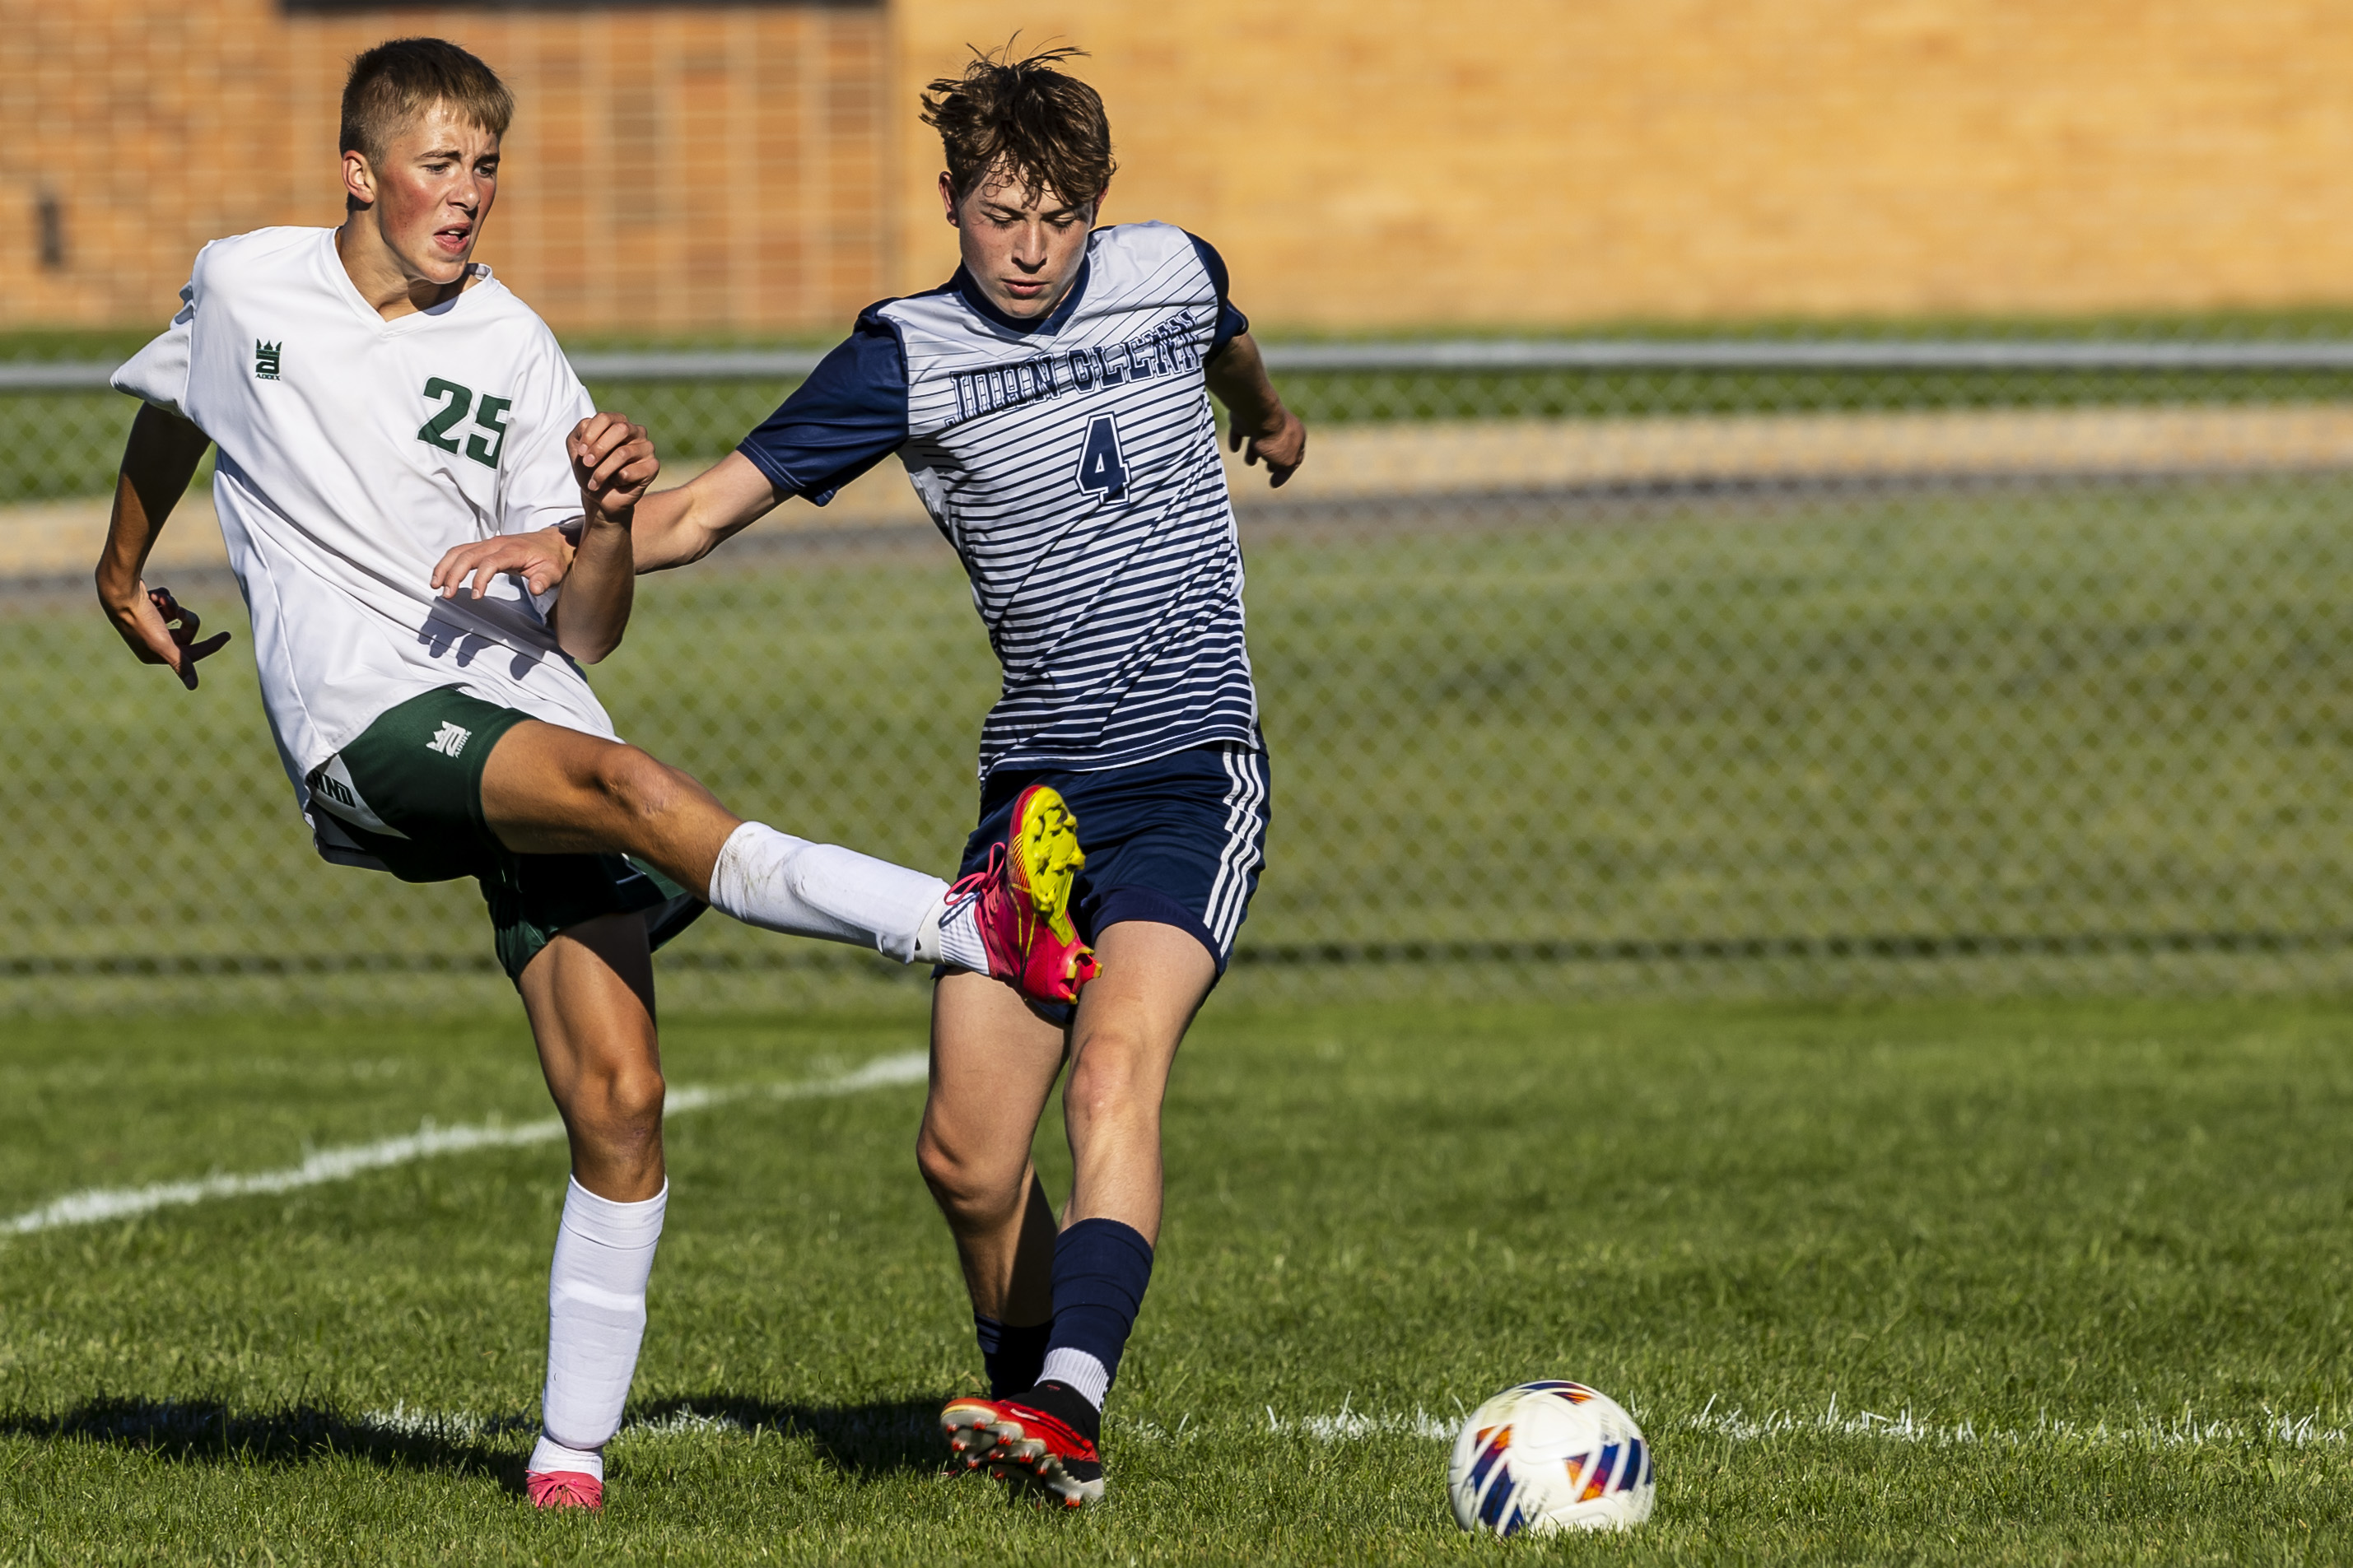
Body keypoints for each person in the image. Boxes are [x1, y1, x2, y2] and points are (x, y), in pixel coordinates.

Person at [94, 35, 1094, 1514]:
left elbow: (585, 630)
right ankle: (967, 922)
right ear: (359, 173)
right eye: (439, 165)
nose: (468, 193)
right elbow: (179, 404)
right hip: (366, 718)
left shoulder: (513, 345)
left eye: (488, 166)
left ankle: (566, 1463)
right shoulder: (244, 282)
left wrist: (605, 520)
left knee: (622, 1100)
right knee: (635, 790)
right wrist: (121, 573)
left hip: (527, 707)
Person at [501, 42, 1306, 1506]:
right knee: (965, 1159)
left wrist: (1264, 417)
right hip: (1036, 802)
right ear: (949, 200)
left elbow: (1229, 343)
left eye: (1060, 217)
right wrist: (570, 539)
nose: (1031, 248)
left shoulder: (1172, 271)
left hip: (1189, 769)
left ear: (1100, 206)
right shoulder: (904, 356)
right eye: (1001, 215)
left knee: (1112, 1070)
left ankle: (1070, 1400)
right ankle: (1035, 1429)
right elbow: (699, 514)